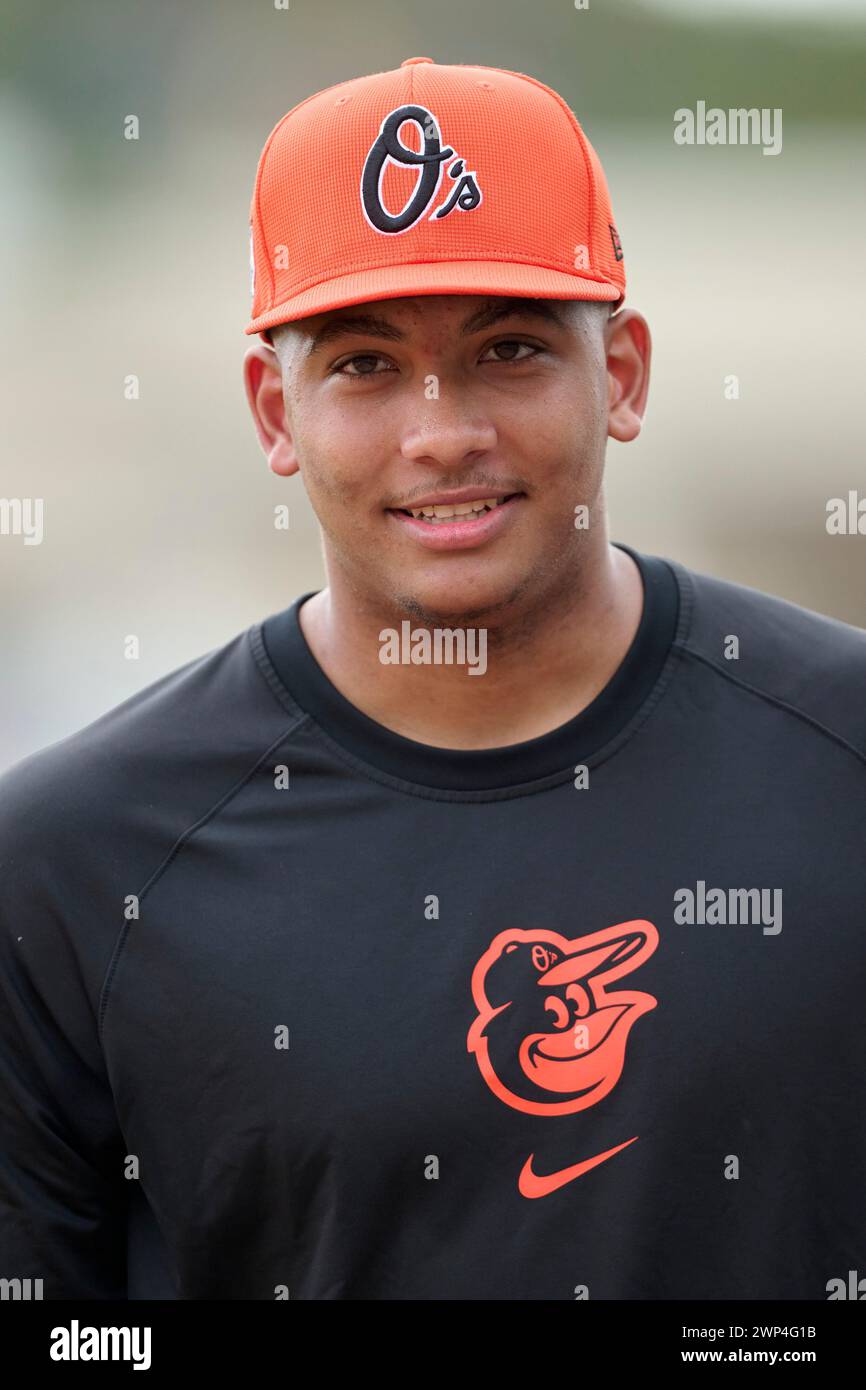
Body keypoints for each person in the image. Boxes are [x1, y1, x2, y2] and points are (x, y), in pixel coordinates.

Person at [1, 56, 864, 1302]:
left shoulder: (838, 753)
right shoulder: (77, 861)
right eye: (359, 363)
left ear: (618, 374)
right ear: (270, 409)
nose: (440, 432)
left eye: (509, 348)